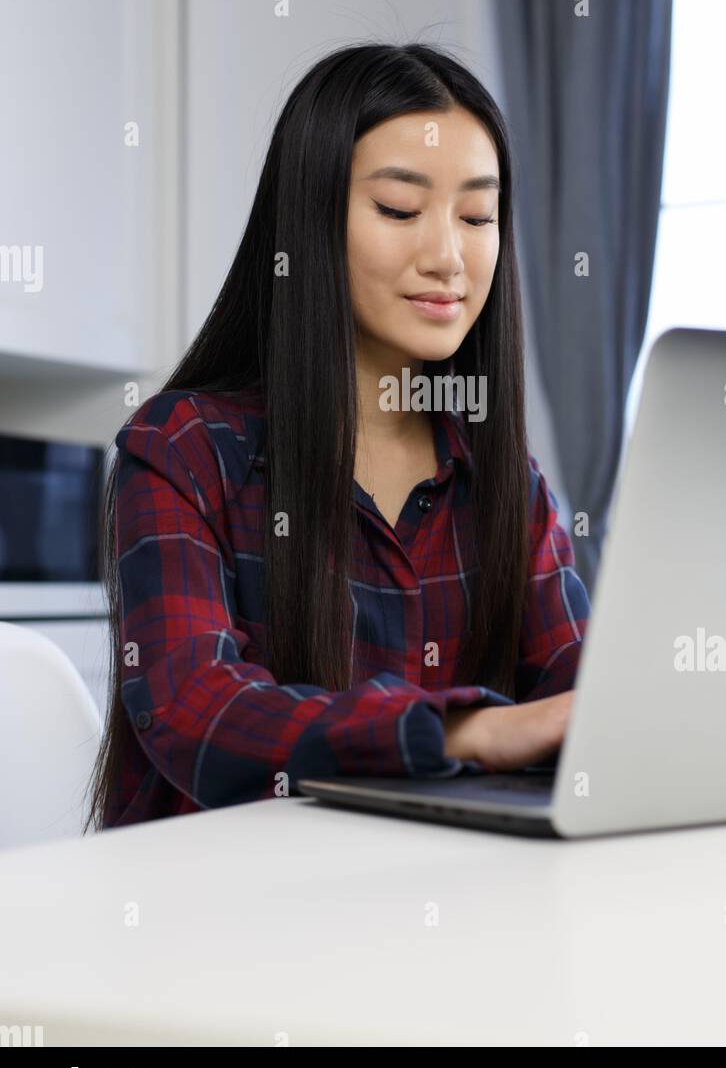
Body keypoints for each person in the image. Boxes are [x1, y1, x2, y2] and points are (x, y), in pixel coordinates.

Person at [85, 41, 589, 831]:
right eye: (399, 209)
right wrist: (460, 732)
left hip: (442, 906)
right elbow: (196, 709)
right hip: (219, 921)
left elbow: (576, 685)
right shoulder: (181, 449)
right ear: (310, 221)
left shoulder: (506, 485)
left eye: (478, 216)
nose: (449, 256)